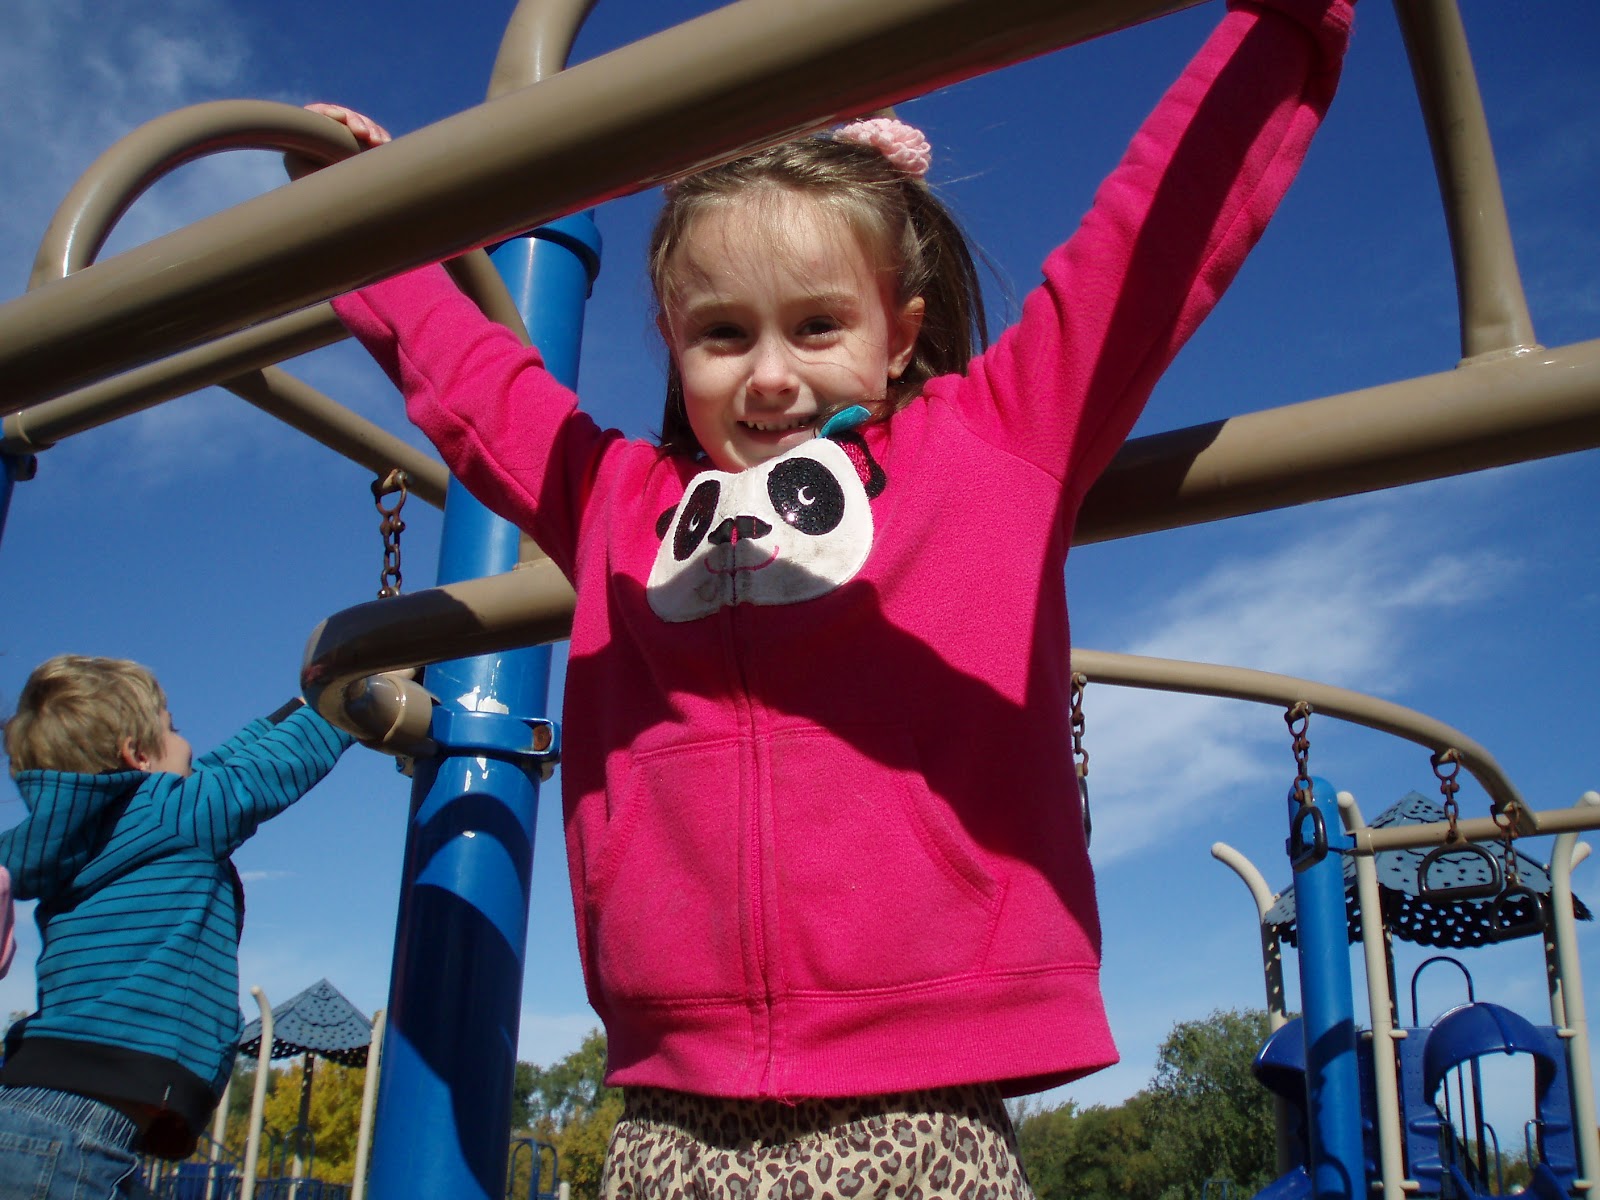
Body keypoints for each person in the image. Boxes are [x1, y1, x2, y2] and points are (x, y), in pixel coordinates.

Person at [317, 0, 1353, 1191]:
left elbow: (1151, 240)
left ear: (899, 334)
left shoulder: (987, 442)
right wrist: (363, 223)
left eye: (817, 325)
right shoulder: (619, 506)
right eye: (722, 334)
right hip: (672, 1117)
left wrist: (1290, 29)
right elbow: (474, 388)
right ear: (671, 341)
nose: (770, 376)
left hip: (919, 1104)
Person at [0, 655, 354, 1198]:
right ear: (138, 755)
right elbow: (259, 773)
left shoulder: (81, 839)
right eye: (175, 728)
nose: (189, 742)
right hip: (76, 1134)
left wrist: (304, 703)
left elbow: (222, 763)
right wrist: (352, 697)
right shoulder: (169, 816)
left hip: (37, 1107)